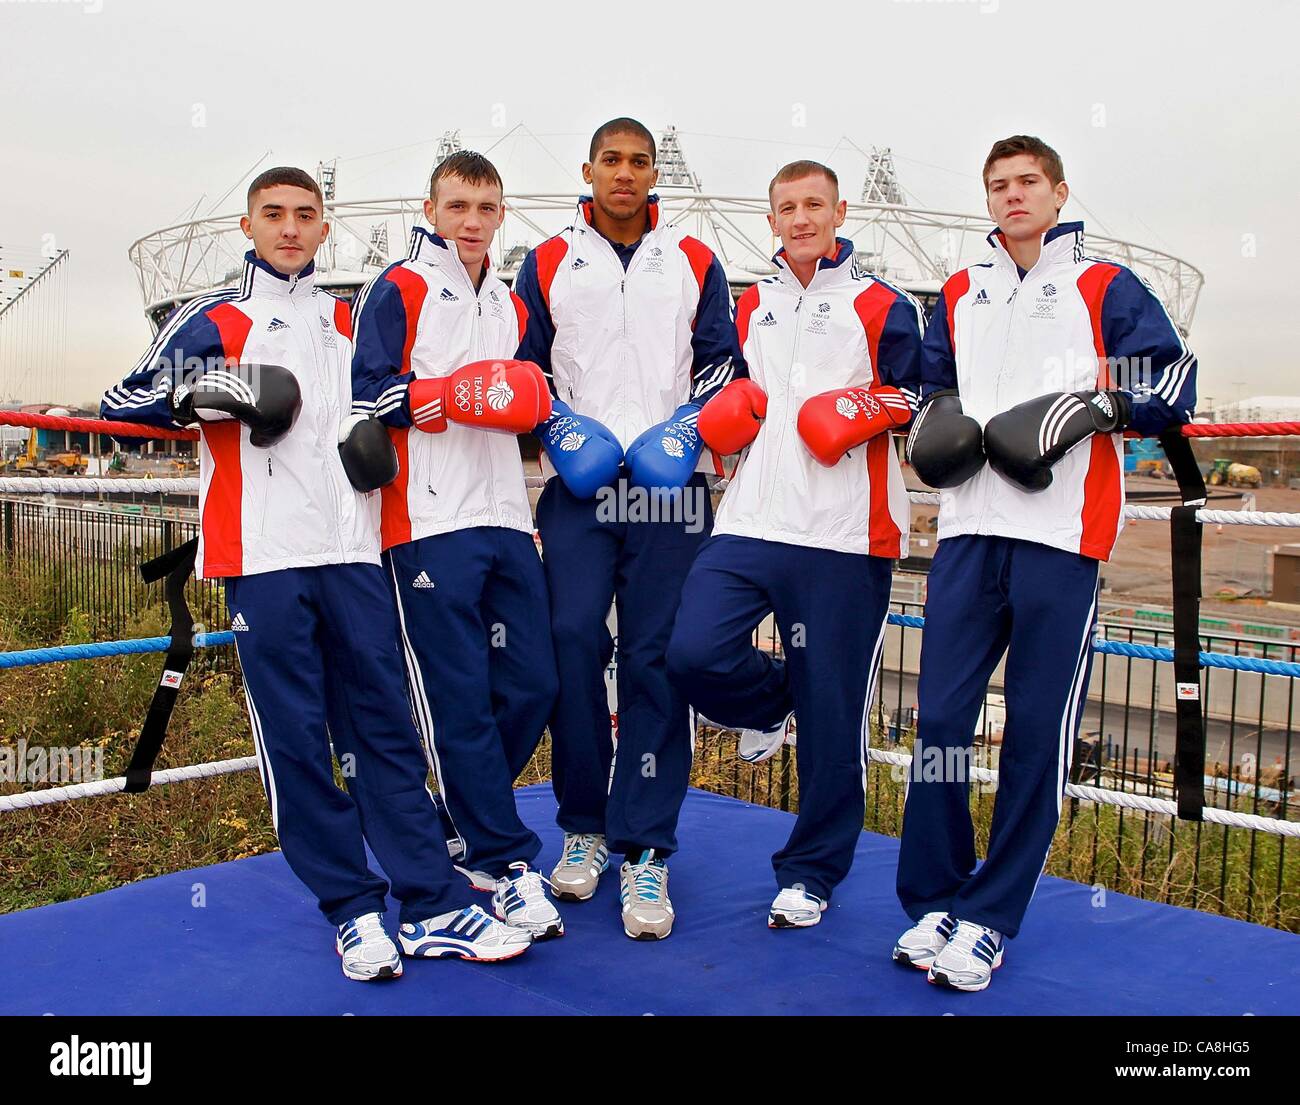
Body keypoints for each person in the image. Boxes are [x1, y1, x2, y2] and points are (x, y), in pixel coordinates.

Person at [101, 167, 532, 980]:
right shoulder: (215, 316)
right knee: (298, 740)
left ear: (325, 227)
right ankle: (353, 909)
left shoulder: (348, 317)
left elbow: (386, 404)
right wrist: (211, 388)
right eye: (275, 215)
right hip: (262, 557)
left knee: (388, 732)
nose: (291, 229)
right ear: (248, 225)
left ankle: (433, 902)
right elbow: (122, 400)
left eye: (305, 215)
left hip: (356, 554)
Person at [893, 135, 1197, 991]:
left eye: (1028, 182)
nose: (1013, 196)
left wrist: (1103, 404)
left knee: (1034, 733)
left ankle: (990, 917)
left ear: (1059, 193)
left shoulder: (1104, 285)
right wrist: (930, 430)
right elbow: (929, 394)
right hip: (966, 534)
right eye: (998, 185)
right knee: (941, 725)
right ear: (986, 199)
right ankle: (935, 901)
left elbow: (1176, 386)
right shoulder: (958, 289)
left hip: (1063, 537)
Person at [666, 160, 922, 928]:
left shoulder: (885, 303)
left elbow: (923, 397)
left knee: (835, 707)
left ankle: (810, 872)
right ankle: (771, 702)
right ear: (770, 217)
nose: (802, 217)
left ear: (840, 210)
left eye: (815, 204)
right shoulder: (749, 305)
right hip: (750, 519)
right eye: (788, 207)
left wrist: (861, 406)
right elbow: (721, 392)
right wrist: (716, 415)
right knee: (691, 651)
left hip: (846, 532)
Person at [513, 118, 740, 939]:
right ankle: (586, 825)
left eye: (638, 161)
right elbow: (523, 368)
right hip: (580, 488)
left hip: (671, 489)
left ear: (653, 174)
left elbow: (723, 364)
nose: (624, 172)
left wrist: (683, 427)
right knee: (572, 640)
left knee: (656, 657)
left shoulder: (695, 258)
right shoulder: (544, 260)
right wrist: (562, 427)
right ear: (588, 168)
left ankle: (646, 850)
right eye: (611, 159)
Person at [350, 151, 563, 939]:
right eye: (458, 206)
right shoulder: (398, 286)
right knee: (460, 700)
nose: (473, 221)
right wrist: (446, 395)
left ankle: (466, 816)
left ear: (502, 213)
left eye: (486, 206)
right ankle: (504, 858)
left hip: (507, 515)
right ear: (431, 208)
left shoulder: (509, 302)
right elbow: (365, 395)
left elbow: (528, 395)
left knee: (536, 682)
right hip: (427, 521)